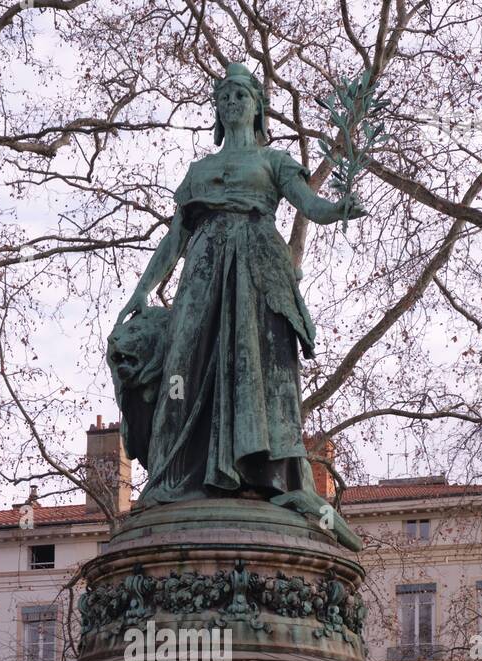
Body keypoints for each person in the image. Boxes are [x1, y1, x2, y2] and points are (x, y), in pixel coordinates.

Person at [109, 61, 364, 548]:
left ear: (257, 106)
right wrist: (143, 289)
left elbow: (310, 205)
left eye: (240, 96)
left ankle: (261, 471)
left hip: (257, 270)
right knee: (184, 364)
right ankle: (173, 476)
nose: (231, 104)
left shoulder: (274, 162)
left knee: (262, 371)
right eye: (224, 97)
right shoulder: (199, 171)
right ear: (217, 109)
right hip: (203, 273)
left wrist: (338, 209)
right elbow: (175, 236)